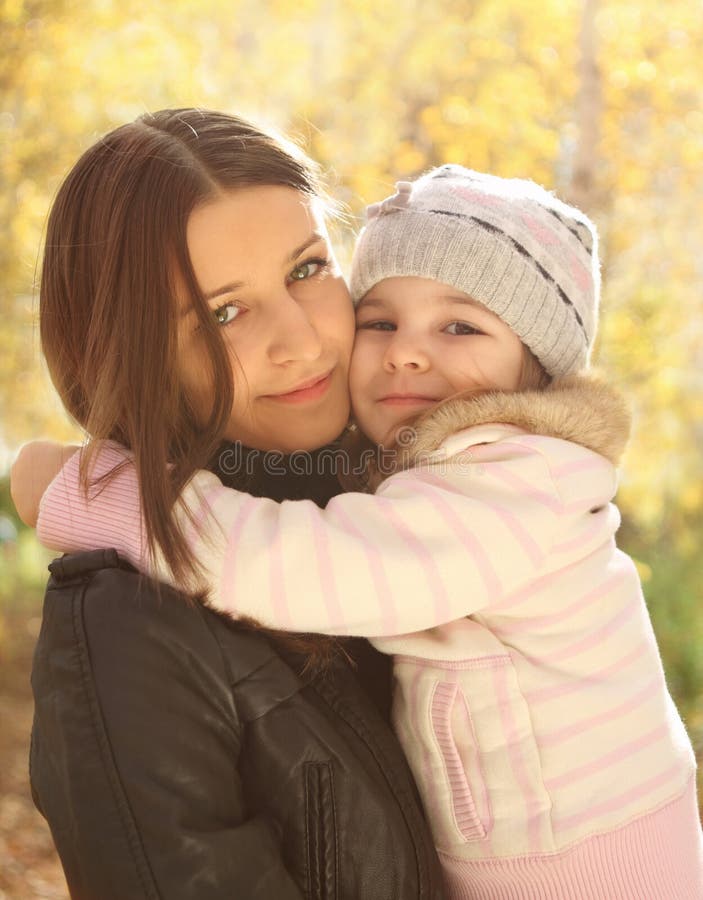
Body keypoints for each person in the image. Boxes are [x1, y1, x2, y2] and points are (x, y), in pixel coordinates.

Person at [26, 165, 703, 899]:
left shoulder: (513, 482)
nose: (405, 352)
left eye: (459, 326)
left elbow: (288, 565)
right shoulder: (131, 621)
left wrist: (101, 493)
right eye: (380, 319)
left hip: (588, 871)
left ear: (534, 369)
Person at [12, 108, 448, 900]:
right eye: (223, 312)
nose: (303, 341)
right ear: (130, 353)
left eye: (306, 269)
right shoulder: (127, 624)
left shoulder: (431, 507)